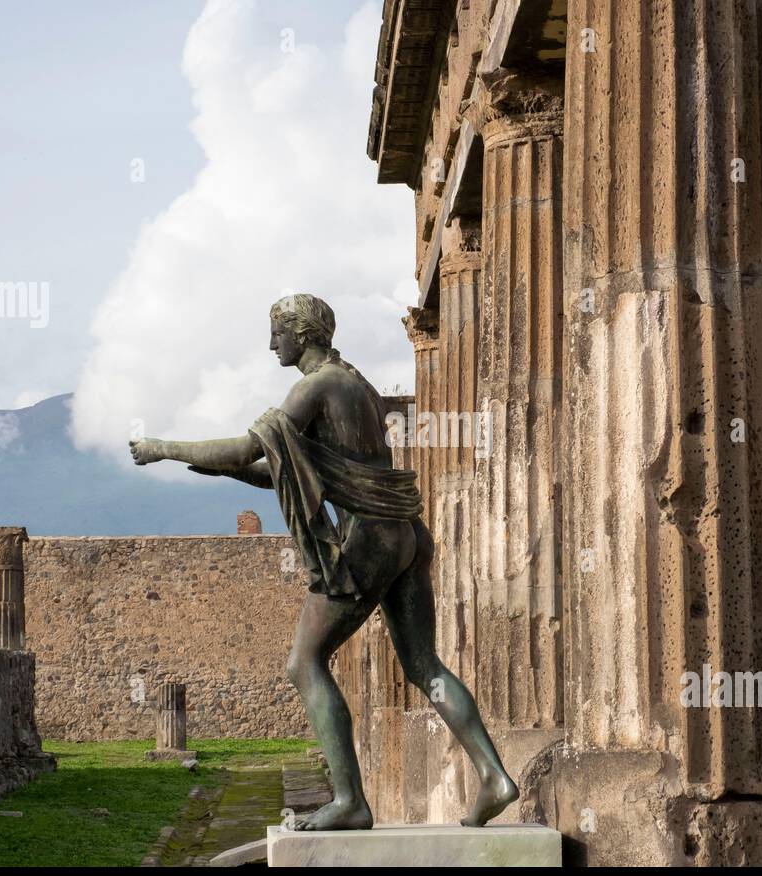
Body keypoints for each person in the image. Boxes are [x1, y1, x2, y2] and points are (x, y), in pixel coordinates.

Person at [129, 293, 518, 830]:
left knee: (304, 663)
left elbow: (247, 449)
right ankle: (494, 775)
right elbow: (281, 472)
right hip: (404, 533)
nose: (271, 344)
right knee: (424, 666)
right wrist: (225, 473)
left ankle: (350, 802)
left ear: (302, 333)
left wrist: (164, 448)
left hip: (367, 540)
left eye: (277, 332)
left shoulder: (315, 386)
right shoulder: (356, 384)